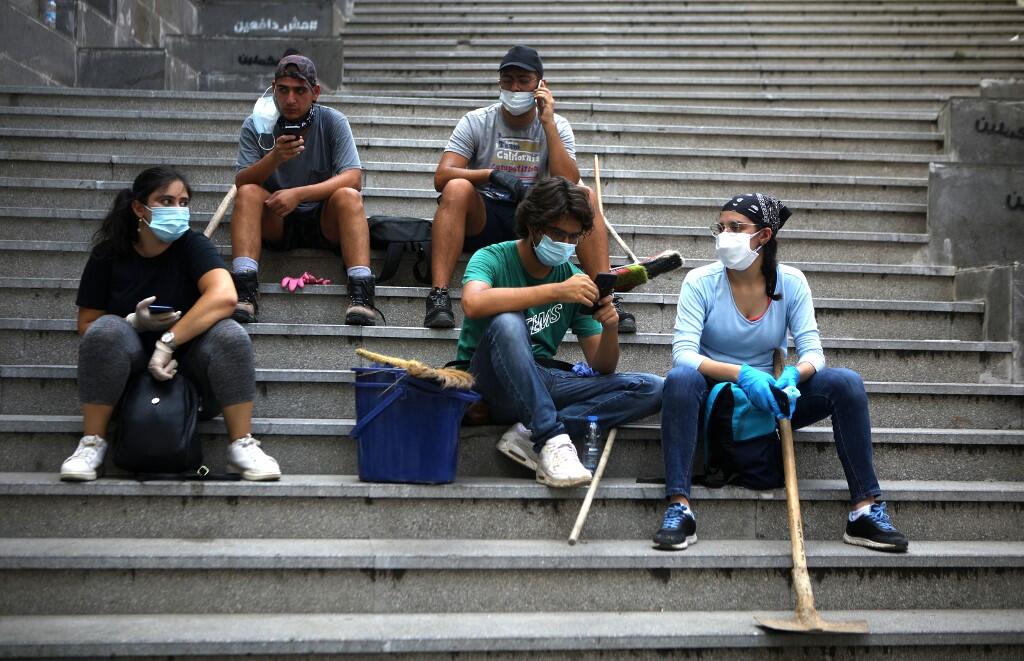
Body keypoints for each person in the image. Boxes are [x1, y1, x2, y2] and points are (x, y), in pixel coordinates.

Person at [653, 193, 909, 553]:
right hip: (716, 393)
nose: (724, 235)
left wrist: (793, 377)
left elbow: (814, 354)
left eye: (736, 228)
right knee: (679, 380)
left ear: (764, 236)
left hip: (773, 392)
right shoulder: (700, 282)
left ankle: (864, 509)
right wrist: (742, 375)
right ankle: (679, 507)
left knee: (847, 383)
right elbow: (683, 355)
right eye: (721, 227)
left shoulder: (790, 283)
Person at [59, 167, 281, 482]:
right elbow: (88, 325)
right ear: (139, 208)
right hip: (127, 381)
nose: (177, 210)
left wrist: (167, 342)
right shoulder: (108, 255)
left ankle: (241, 443)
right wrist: (133, 323)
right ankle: (92, 443)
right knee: (106, 330)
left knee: (231, 334)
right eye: (166, 201)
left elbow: (225, 296)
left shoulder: (192, 246)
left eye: (183, 202)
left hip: (191, 372)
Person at [458, 177, 663, 487]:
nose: (566, 244)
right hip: (487, 381)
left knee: (653, 386)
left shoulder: (573, 277)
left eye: (573, 237)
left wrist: (610, 327)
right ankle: (552, 438)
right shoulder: (493, 257)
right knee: (507, 321)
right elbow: (473, 303)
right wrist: (555, 291)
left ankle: (530, 433)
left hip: (540, 380)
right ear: (533, 226)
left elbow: (601, 366)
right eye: (557, 233)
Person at [423, 45, 636, 334]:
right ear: (499, 82)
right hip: (486, 216)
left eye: (523, 80)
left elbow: (569, 181)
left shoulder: (557, 125)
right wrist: (491, 175)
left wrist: (546, 122)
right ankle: (438, 295)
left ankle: (604, 296)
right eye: (507, 79)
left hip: (537, 223)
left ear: (540, 85)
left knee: (585, 196)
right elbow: (442, 176)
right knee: (456, 187)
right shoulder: (476, 121)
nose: (515, 87)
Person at [230, 54, 381, 325]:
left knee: (348, 196)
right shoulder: (256, 124)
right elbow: (242, 181)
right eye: (283, 90)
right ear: (273, 88)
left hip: (322, 220)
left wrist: (299, 194)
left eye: (300, 91)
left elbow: (353, 177)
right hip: (275, 217)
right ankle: (244, 292)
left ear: (316, 92)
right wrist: (274, 157)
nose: (290, 100)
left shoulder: (333, 121)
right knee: (248, 193)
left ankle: (361, 295)